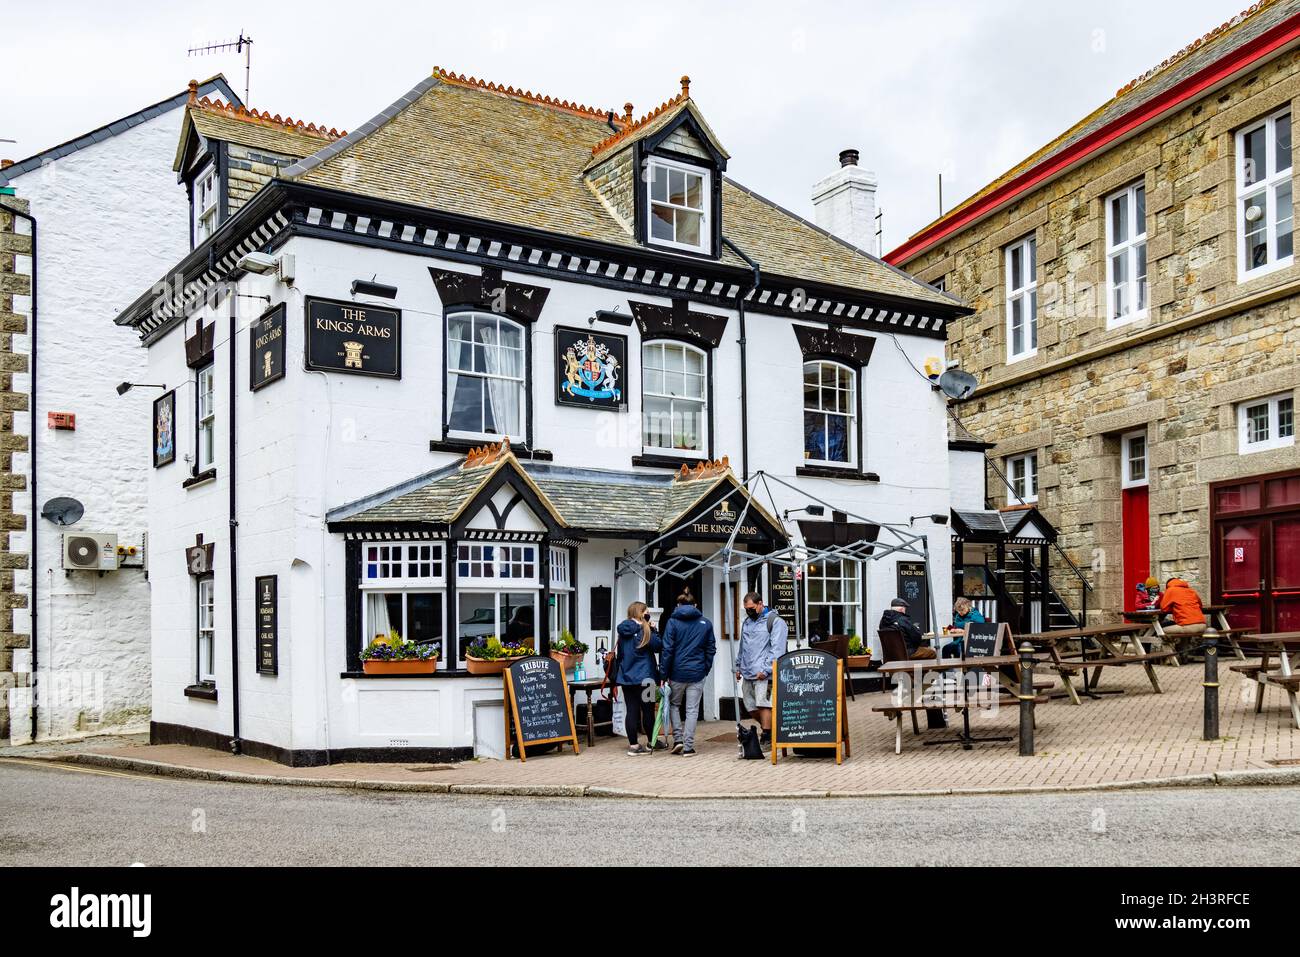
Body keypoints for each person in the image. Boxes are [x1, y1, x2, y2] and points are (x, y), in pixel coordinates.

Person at [659, 589, 715, 756]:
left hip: (676, 673)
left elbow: (667, 650)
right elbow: (711, 648)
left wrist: (663, 673)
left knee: (674, 705)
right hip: (697, 673)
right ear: (695, 605)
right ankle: (689, 747)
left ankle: (678, 740)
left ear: (678, 605)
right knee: (692, 710)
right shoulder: (705, 623)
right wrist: (705, 668)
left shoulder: (672, 622)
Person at [879, 597, 945, 729]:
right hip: (909, 655)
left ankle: (921, 678)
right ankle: (925, 679)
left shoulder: (883, 622)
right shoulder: (903, 620)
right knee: (932, 653)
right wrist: (914, 628)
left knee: (923, 669)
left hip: (894, 660)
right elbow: (917, 637)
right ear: (902, 609)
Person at [735, 592, 788, 746]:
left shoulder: (775, 622)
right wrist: (738, 666)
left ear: (760, 604)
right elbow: (742, 646)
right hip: (748, 671)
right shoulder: (747, 622)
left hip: (764, 674)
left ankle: (767, 736)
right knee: (750, 707)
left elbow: (777, 650)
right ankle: (773, 728)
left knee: (763, 704)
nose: (749, 611)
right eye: (746, 608)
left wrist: (766, 670)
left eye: (751, 608)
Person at [614, 601, 662, 756]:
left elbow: (620, 655)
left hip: (627, 677)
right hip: (646, 677)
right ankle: (651, 742)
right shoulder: (645, 629)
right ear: (642, 613)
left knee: (632, 710)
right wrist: (654, 630)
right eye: (646, 611)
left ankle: (633, 746)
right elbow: (658, 646)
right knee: (648, 711)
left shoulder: (622, 631)